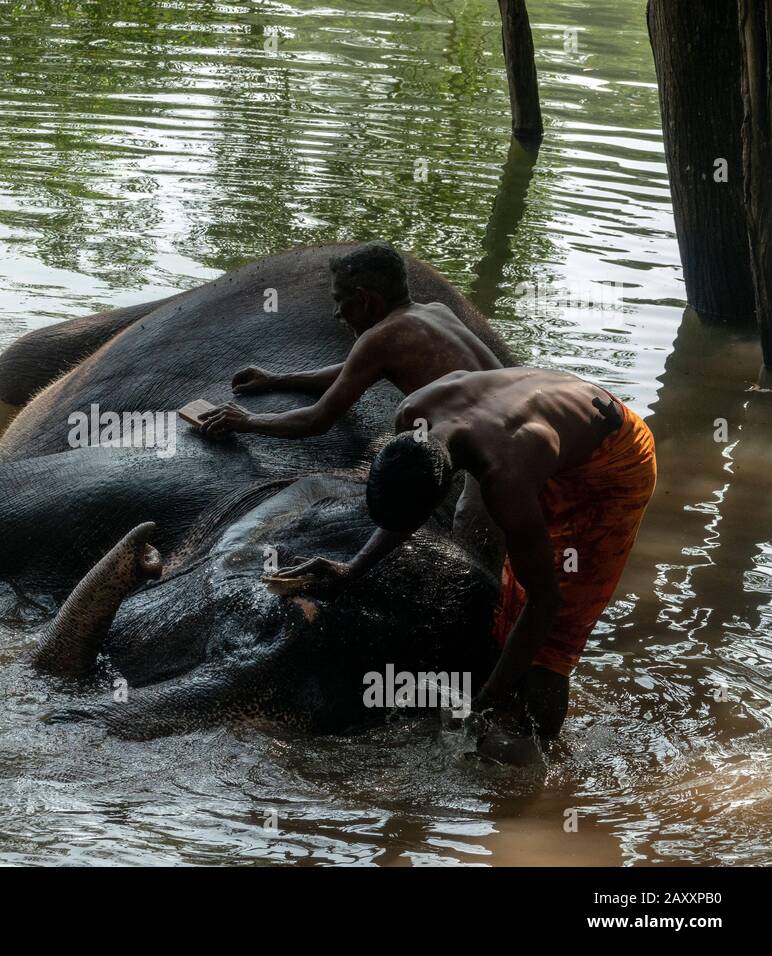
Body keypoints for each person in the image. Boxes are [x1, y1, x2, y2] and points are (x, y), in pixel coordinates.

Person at [269, 367, 657, 754]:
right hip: (548, 422)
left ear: (442, 492)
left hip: (612, 458)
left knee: (555, 635)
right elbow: (409, 503)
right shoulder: (413, 414)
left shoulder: (506, 476)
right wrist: (351, 569)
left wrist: (482, 704)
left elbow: (546, 601)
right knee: (508, 597)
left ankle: (543, 764)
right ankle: (509, 688)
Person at [197, 240, 502, 442]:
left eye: (340, 300)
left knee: (469, 520)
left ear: (365, 300)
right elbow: (351, 372)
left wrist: (247, 420)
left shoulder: (382, 337)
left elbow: (316, 421)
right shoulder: (437, 311)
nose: (336, 313)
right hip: (525, 418)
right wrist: (277, 379)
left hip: (499, 444)